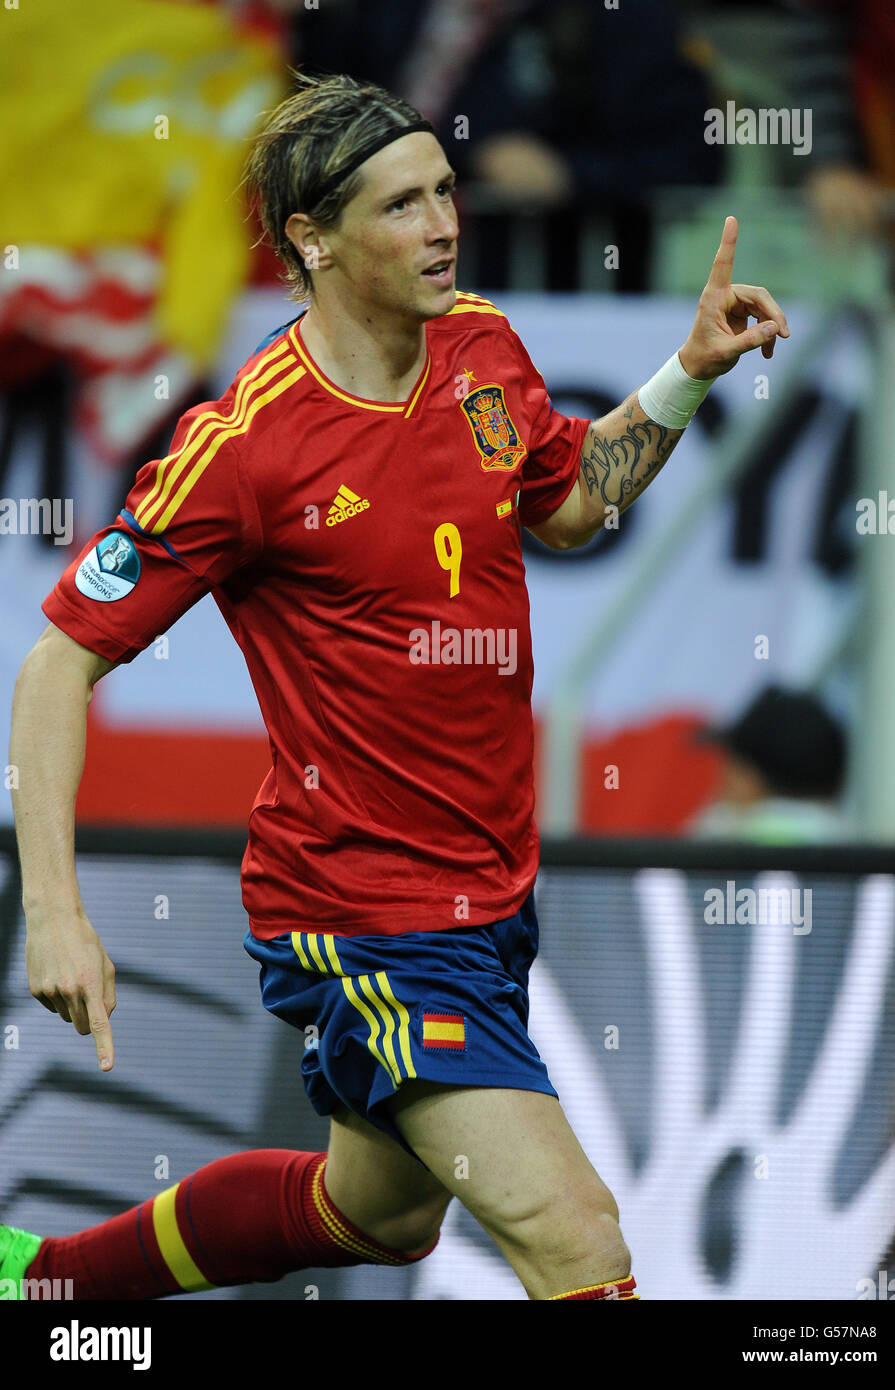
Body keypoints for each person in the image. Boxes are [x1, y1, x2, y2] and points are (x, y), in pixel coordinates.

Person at [3, 72, 788, 1302]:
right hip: (364, 914)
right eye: (403, 206)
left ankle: (45, 1284)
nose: (443, 226)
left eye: (445, 192)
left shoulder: (478, 343)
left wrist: (686, 372)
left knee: (373, 1217)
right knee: (581, 1241)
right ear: (312, 241)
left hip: (490, 898)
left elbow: (572, 505)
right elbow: (57, 662)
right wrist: (54, 908)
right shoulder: (244, 448)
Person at [690, 685, 851, 844]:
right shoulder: (853, 852)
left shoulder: (722, 843)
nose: (722, 782)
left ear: (748, 778)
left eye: (731, 765)